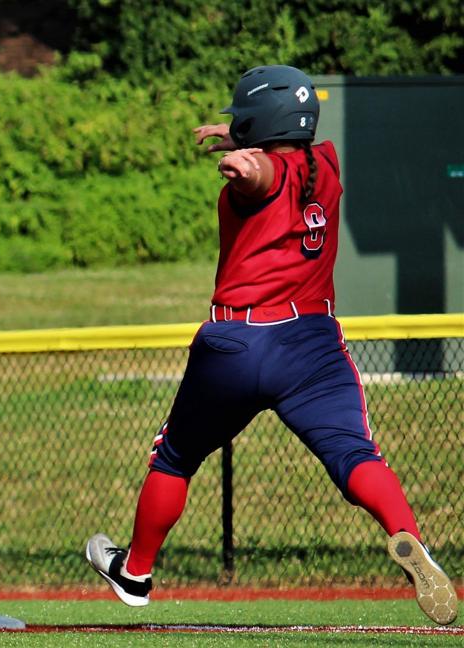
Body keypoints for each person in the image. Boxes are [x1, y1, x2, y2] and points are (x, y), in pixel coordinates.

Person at [84, 65, 457, 626]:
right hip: (312, 345)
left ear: (259, 124)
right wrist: (243, 140)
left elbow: (259, 175)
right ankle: (410, 540)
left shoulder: (255, 172)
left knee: (176, 458)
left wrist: (238, 162)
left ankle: (135, 571)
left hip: (237, 345)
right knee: (356, 455)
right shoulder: (326, 163)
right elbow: (282, 160)